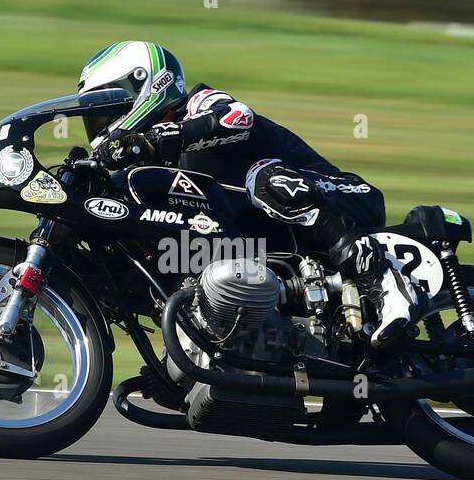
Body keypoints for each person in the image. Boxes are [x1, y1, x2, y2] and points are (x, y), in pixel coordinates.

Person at [78, 40, 423, 349]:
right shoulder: (155, 168)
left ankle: (382, 277)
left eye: (109, 103)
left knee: (265, 177)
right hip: (276, 246)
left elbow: (238, 117)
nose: (103, 119)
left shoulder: (199, 103)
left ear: (148, 84)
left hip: (341, 194)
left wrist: (156, 137)